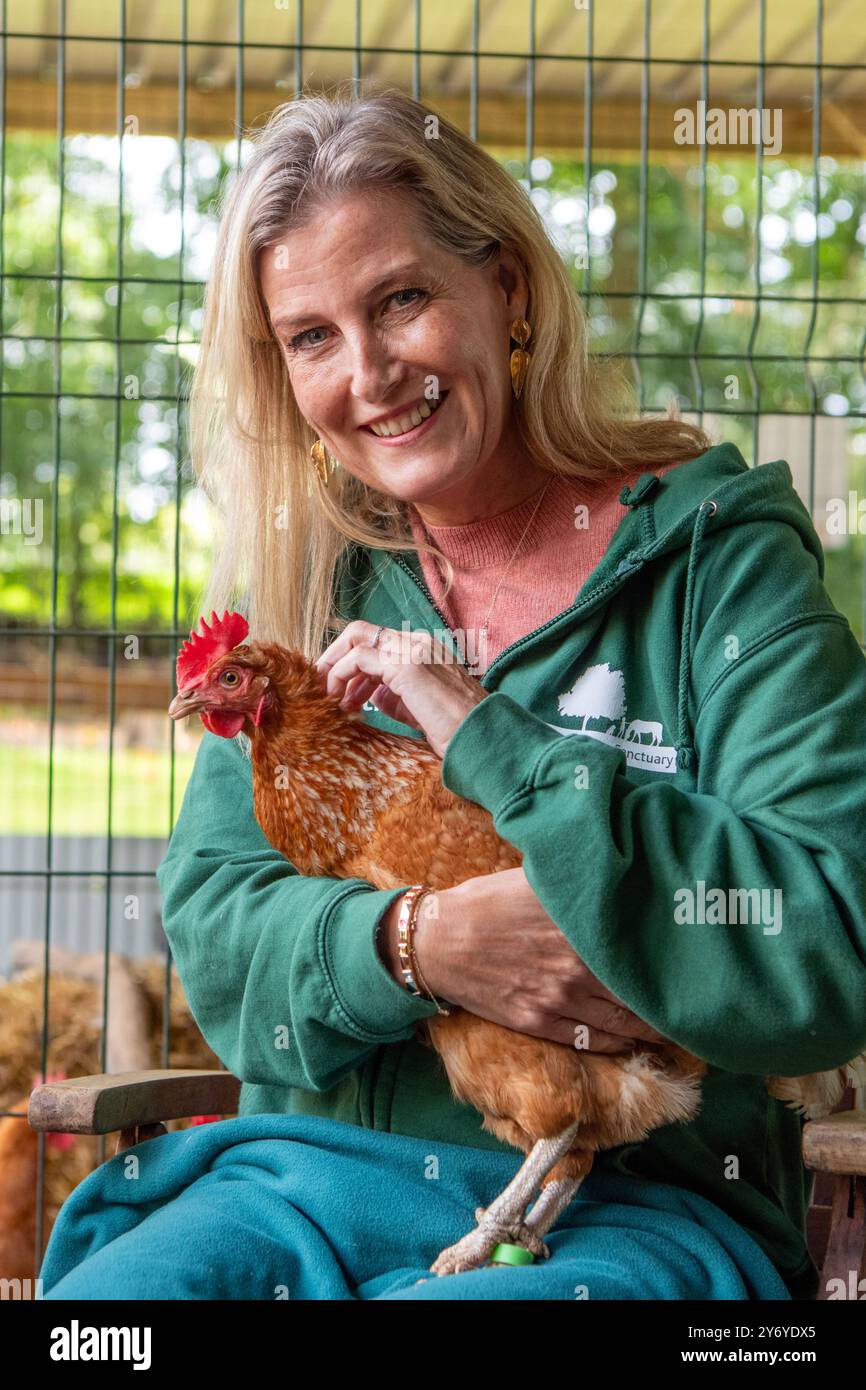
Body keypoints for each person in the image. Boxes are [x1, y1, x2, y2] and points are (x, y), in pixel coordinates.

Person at [40, 83, 866, 1302]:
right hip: (303, 1171)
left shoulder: (714, 565)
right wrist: (417, 945)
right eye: (311, 336)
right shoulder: (313, 586)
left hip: (636, 1203)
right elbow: (218, 932)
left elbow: (829, 932)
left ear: (510, 288)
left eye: (402, 299)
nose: (367, 373)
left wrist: (519, 767)